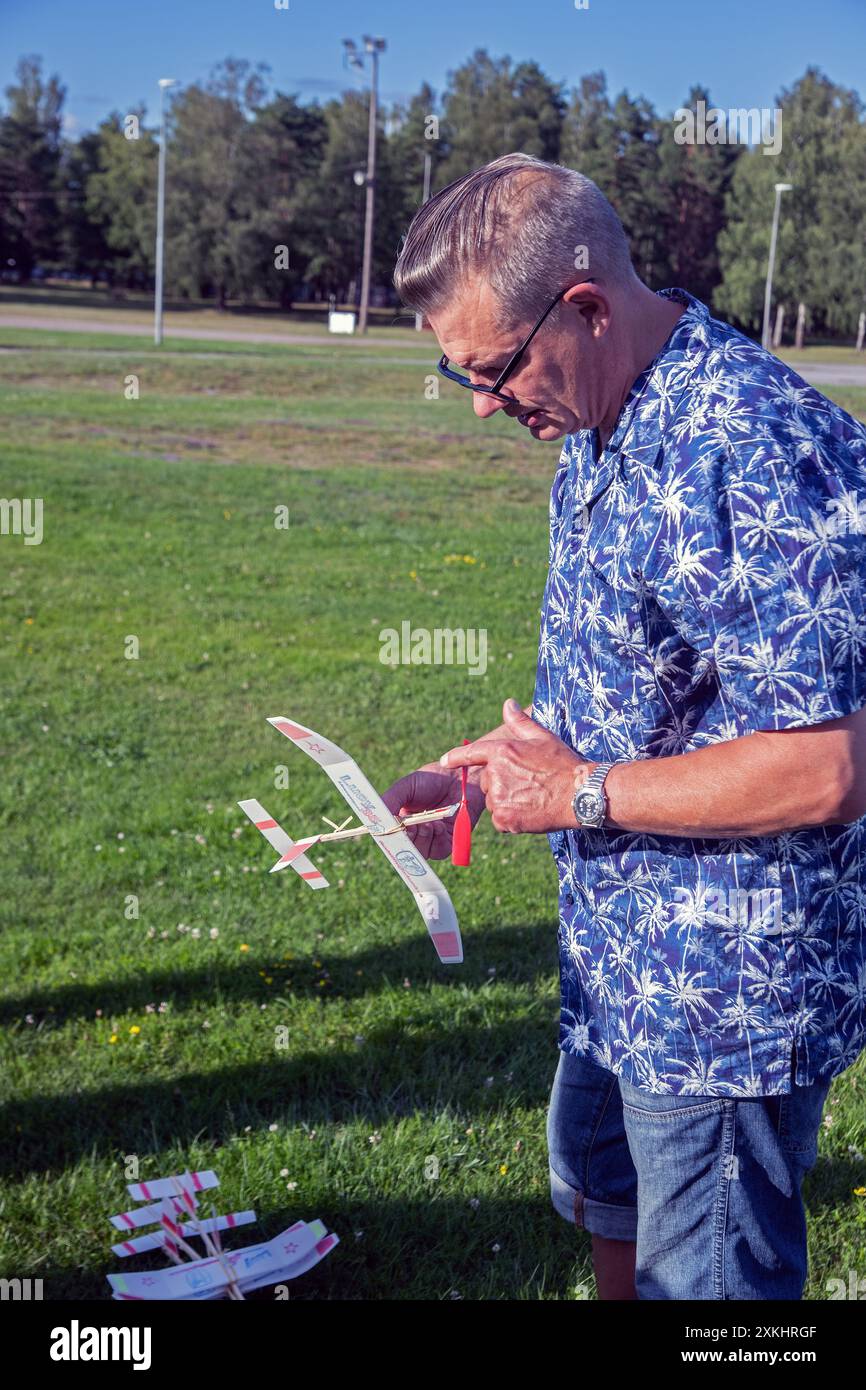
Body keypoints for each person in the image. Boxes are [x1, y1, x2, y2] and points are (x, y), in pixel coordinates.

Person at [381, 152, 866, 1300]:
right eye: (463, 380)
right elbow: (638, 678)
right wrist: (500, 771)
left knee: (706, 1292)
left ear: (585, 307)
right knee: (612, 1214)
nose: (490, 404)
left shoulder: (751, 450)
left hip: (721, 994)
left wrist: (580, 793)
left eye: (493, 371)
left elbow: (828, 765)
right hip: (617, 961)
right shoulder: (596, 418)